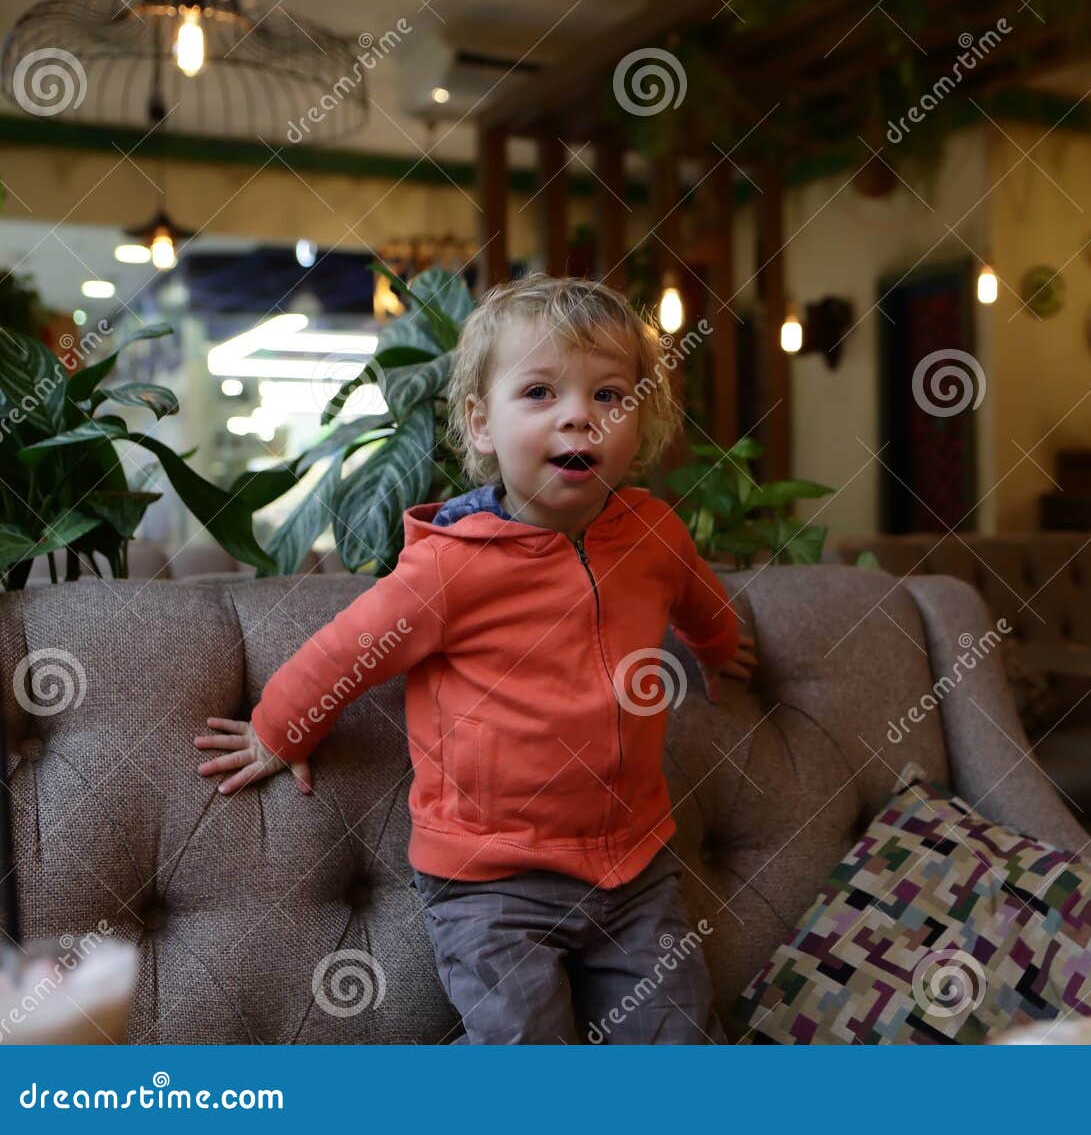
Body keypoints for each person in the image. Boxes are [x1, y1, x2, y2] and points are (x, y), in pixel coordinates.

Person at [195, 273, 757, 1043]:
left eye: (609, 396)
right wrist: (277, 732)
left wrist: (721, 647)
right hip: (492, 881)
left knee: (679, 1041)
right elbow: (345, 654)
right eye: (539, 393)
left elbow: (698, 599)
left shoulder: (654, 532)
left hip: (634, 865)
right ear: (480, 423)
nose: (579, 418)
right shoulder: (450, 567)